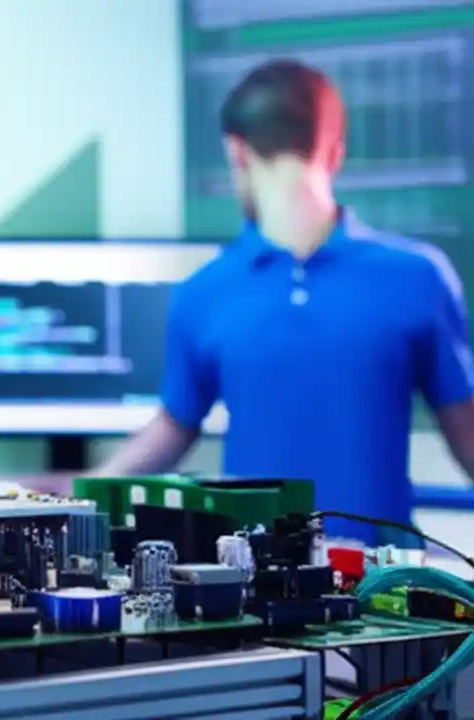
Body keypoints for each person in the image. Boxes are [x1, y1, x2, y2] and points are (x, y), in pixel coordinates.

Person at [95, 58, 474, 544]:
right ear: (335, 151)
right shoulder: (421, 277)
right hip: (253, 586)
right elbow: (468, 436)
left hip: (384, 595)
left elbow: (172, 428)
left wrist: (75, 495)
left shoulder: (202, 294)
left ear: (237, 154)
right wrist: (71, 502)